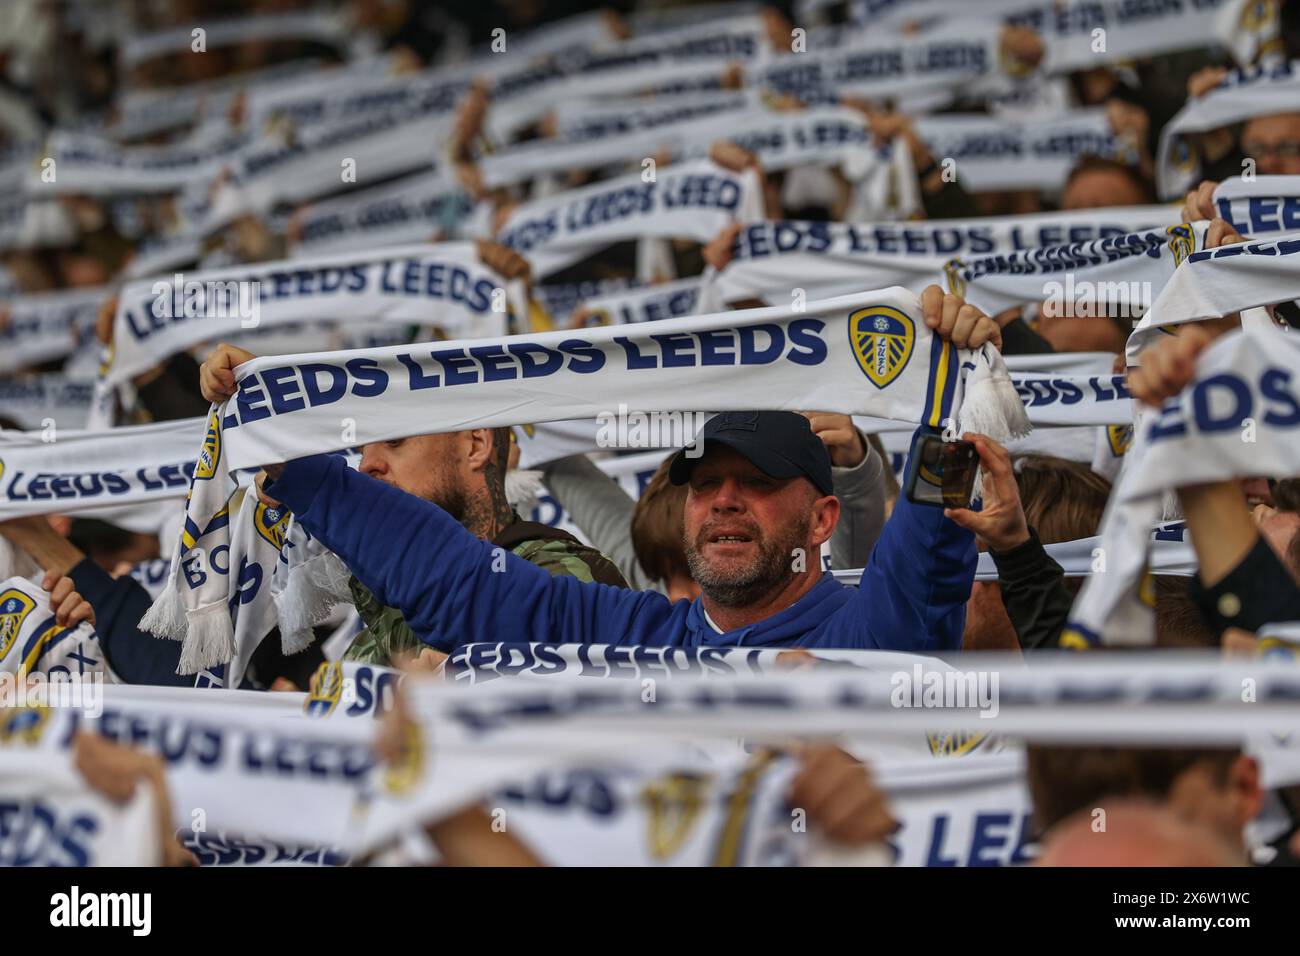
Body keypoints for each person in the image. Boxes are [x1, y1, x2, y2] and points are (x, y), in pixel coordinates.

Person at [205, 286, 1001, 654]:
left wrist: (951, 413)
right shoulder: (636, 638)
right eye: (704, 483)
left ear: (823, 520)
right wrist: (293, 450)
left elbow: (925, 564)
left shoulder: (867, 635)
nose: (723, 501)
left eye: (755, 483)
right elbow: (464, 585)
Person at [540, 410, 887, 597]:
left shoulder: (833, 616)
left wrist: (851, 464)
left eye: (755, 484)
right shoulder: (653, 598)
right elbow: (571, 478)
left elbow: (859, 557)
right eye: (705, 484)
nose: (674, 597)